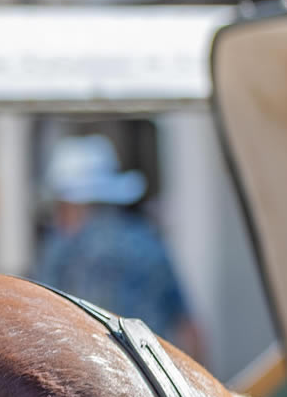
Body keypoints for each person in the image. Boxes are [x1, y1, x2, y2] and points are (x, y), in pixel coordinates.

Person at [31, 134, 205, 358]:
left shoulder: (63, 249)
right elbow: (190, 329)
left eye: (60, 207)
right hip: (153, 378)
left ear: (74, 205)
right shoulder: (148, 242)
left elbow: (41, 325)